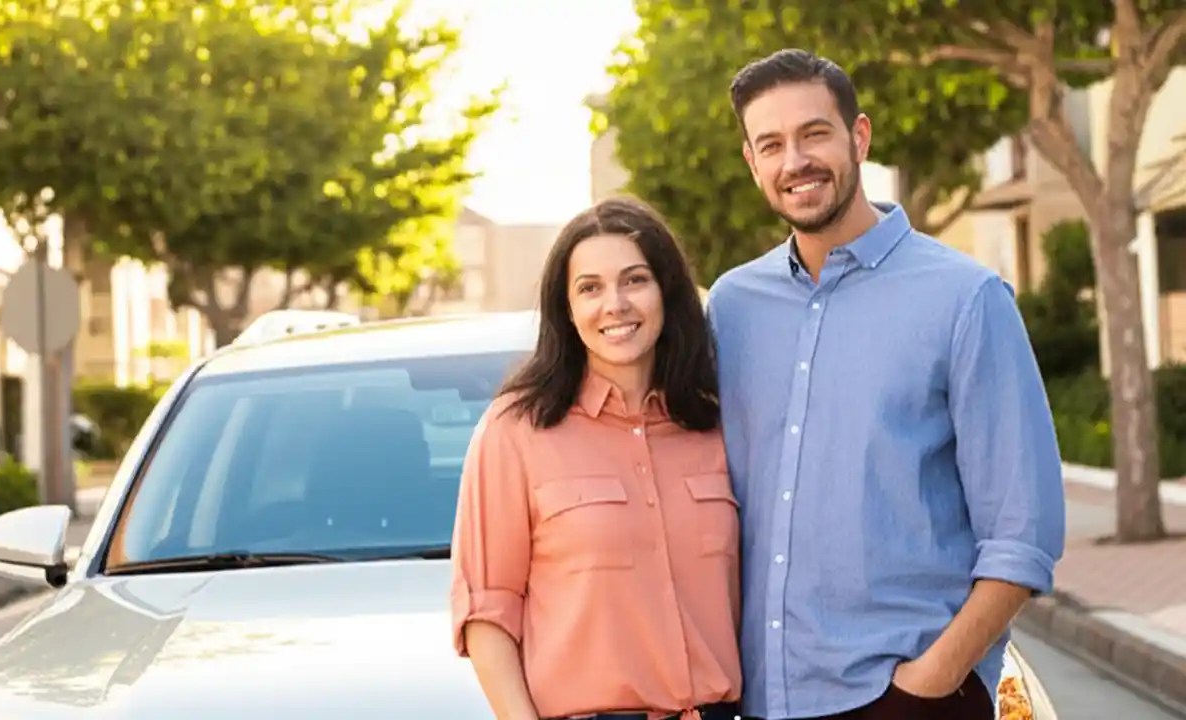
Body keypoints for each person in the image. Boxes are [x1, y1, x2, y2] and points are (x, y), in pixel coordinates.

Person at [706, 49, 1066, 720]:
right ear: (752, 162)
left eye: (815, 134)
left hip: (906, 700)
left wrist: (931, 682)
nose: (796, 161)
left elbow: (1026, 532)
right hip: (756, 699)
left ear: (859, 137)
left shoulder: (966, 299)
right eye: (772, 144)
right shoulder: (732, 308)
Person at [450, 196, 743, 720]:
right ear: (566, 308)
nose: (615, 304)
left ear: (666, 292)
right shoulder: (516, 430)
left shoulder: (717, 424)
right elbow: (488, 616)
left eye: (635, 280)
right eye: (590, 288)